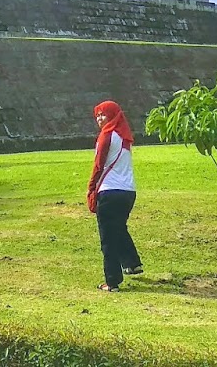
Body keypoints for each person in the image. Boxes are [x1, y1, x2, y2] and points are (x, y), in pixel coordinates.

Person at [86, 100, 142, 291]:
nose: (100, 119)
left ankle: (112, 282)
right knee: (118, 228)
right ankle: (132, 263)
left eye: (104, 114)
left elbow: (98, 165)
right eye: (98, 115)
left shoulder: (107, 136)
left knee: (108, 238)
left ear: (113, 116)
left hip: (109, 192)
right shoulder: (125, 137)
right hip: (128, 192)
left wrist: (91, 187)